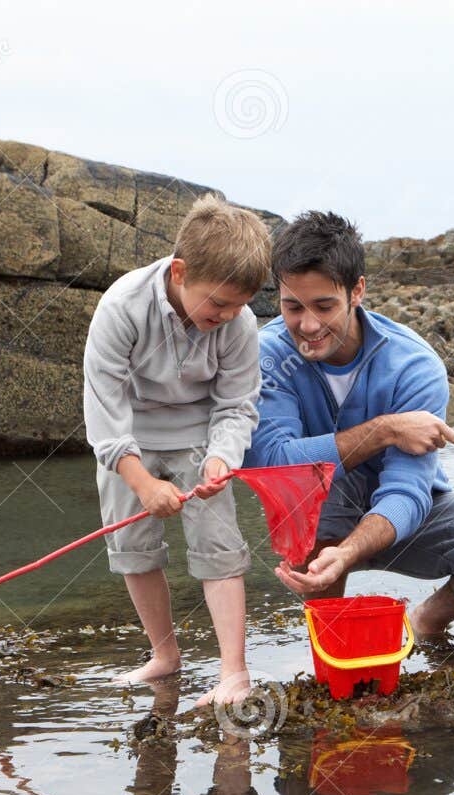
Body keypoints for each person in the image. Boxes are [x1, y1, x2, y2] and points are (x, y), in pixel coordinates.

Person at [244, 210, 454, 636]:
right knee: (309, 486)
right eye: (293, 307)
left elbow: (406, 491)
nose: (307, 325)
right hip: (315, 514)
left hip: (403, 518)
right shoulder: (266, 354)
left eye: (324, 306)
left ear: (357, 291)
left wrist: (348, 553)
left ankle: (424, 622)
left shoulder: (415, 365)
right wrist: (384, 430)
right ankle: (327, 639)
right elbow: (276, 464)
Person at [82, 194, 271, 705]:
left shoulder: (240, 323)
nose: (229, 314)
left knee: (220, 548)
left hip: (200, 433)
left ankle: (235, 672)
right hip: (130, 438)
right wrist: (141, 482)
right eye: (219, 303)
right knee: (133, 552)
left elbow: (236, 405)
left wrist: (221, 459)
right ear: (182, 272)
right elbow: (104, 410)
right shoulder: (122, 306)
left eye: (239, 305)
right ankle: (164, 657)